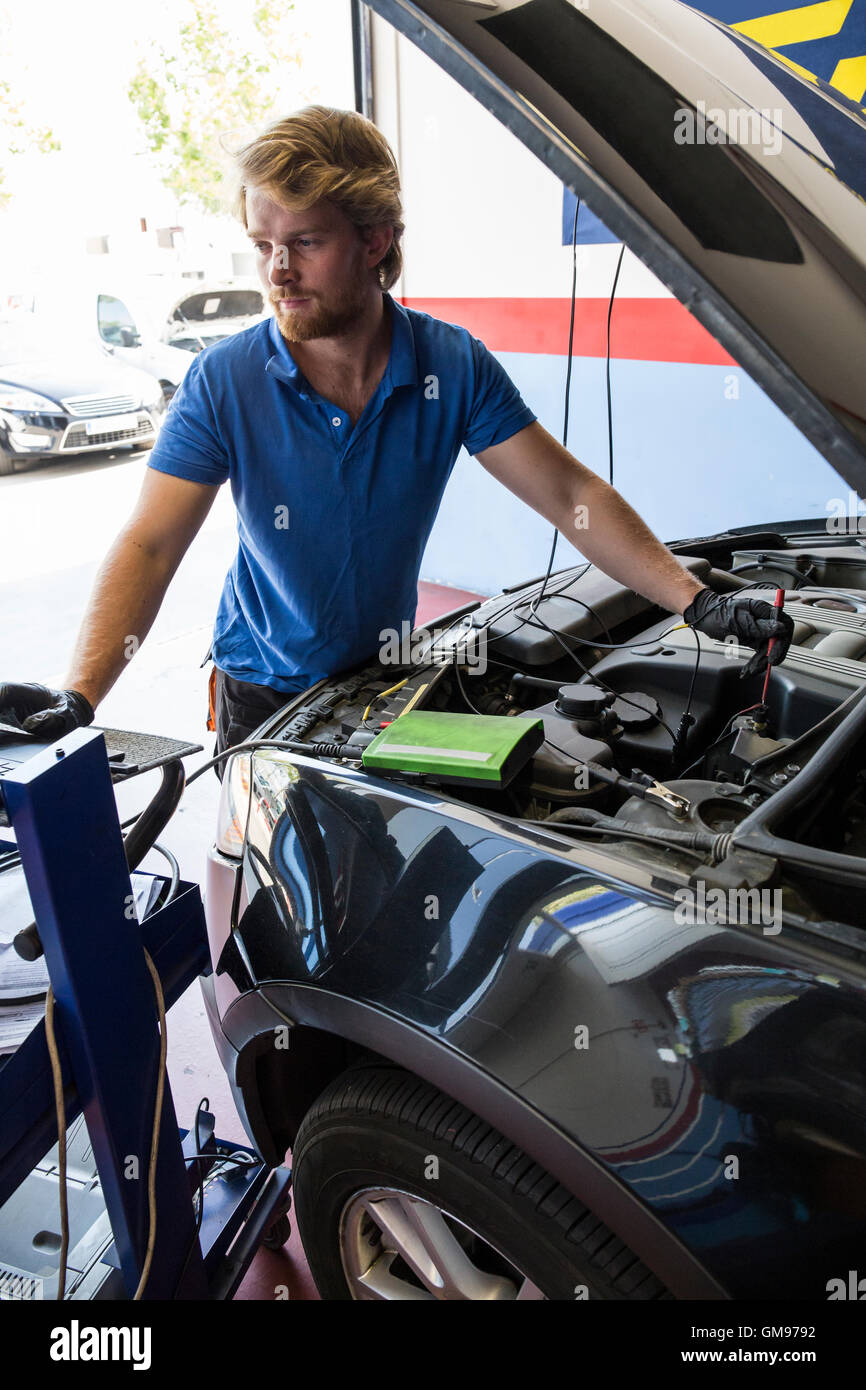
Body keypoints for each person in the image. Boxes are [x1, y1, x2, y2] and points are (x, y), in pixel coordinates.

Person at [0, 106, 792, 765]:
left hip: (385, 673)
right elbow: (149, 544)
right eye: (263, 246)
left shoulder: (451, 365)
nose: (277, 272)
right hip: (260, 690)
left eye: (304, 243)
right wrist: (81, 695)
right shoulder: (224, 381)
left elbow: (571, 495)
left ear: (375, 240)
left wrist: (693, 602)